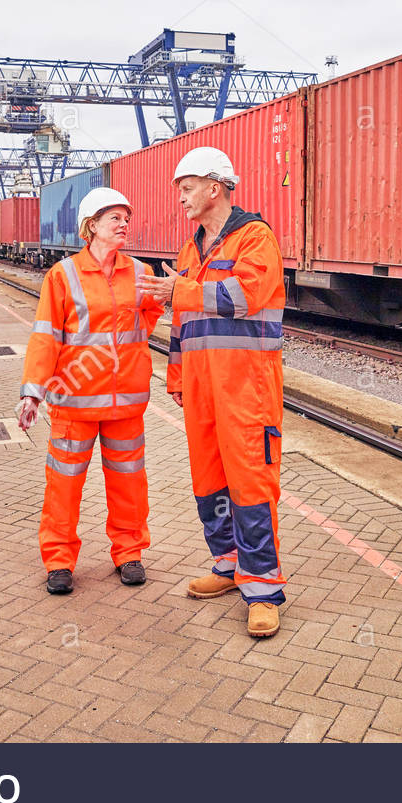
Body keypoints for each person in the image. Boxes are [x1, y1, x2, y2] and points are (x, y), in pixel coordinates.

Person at [139, 148, 288, 639]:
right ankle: (228, 565)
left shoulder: (255, 238)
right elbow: (183, 325)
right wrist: (177, 376)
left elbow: (243, 298)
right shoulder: (190, 250)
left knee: (249, 480)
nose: (180, 195)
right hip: (202, 387)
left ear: (215, 187)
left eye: (187, 186)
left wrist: (174, 291)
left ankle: (263, 590)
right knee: (208, 478)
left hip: (247, 384)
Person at [18, 187, 165, 595]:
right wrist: (33, 391)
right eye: (115, 218)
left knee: (129, 482)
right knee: (64, 485)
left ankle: (129, 553)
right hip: (74, 404)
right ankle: (60, 561)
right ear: (92, 226)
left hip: (126, 404)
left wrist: (128, 360)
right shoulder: (62, 275)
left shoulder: (141, 273)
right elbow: (45, 336)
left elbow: (148, 323)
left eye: (126, 218)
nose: (124, 225)